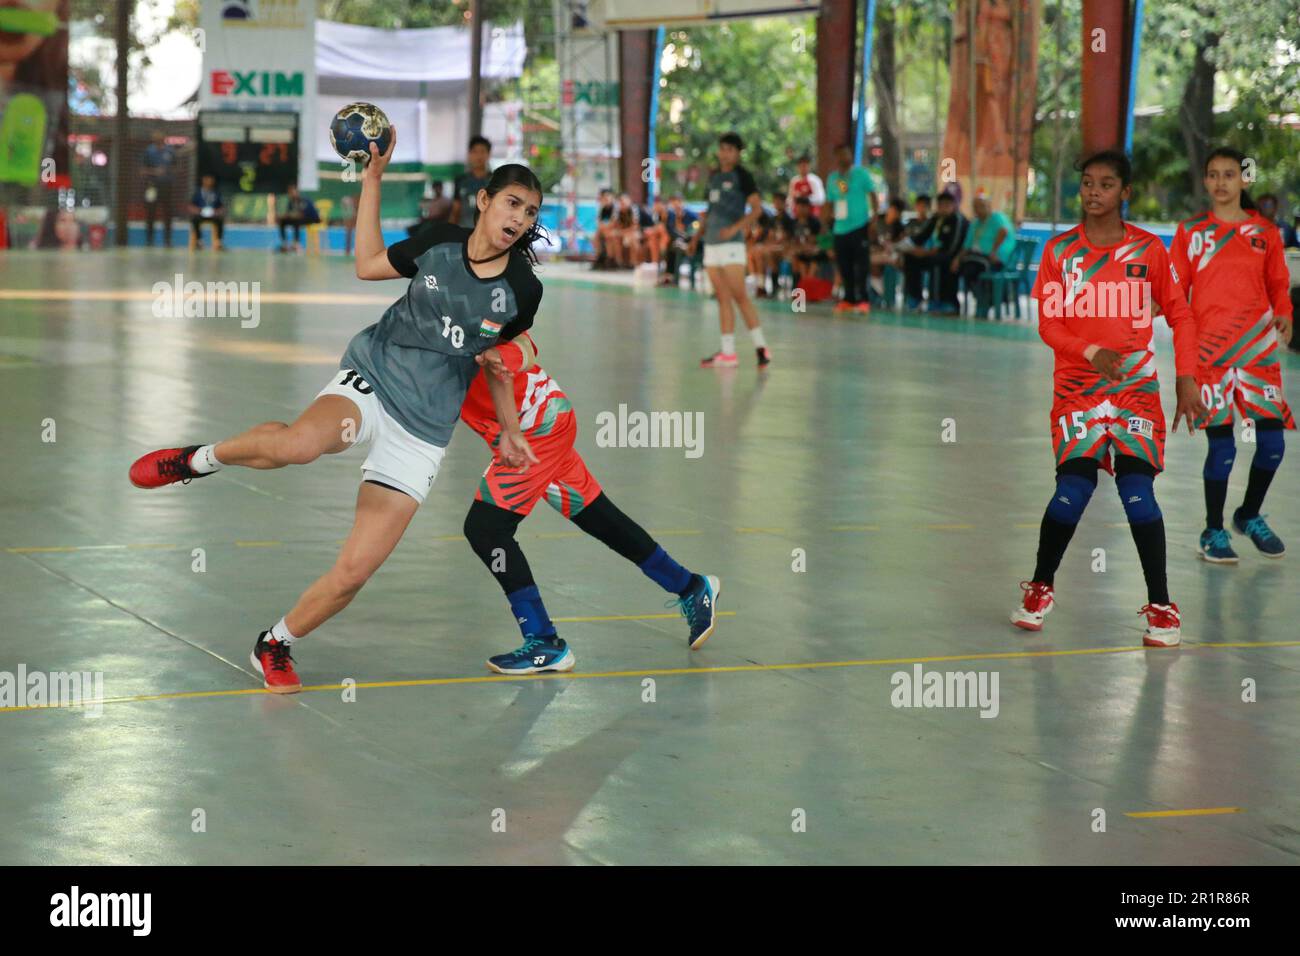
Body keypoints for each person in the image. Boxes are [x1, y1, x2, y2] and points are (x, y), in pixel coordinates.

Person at [129, 126, 548, 694]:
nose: (519, 219)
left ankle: (275, 643)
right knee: (298, 445)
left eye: (530, 212)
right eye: (512, 203)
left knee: (354, 573)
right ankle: (198, 460)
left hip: (423, 429)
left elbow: (499, 362)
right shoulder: (438, 243)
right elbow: (369, 264)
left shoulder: (523, 288)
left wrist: (511, 430)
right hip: (373, 377)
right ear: (484, 200)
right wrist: (372, 179)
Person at [1011, 150, 1204, 648]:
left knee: (1137, 493)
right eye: (1088, 184)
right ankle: (1041, 587)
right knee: (1071, 491)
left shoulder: (1148, 251)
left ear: (1125, 193)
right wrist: (1088, 350)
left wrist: (1187, 379)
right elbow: (1049, 325)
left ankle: (1161, 607)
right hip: (1076, 388)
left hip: (1135, 389)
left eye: (1106, 184)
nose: (1094, 192)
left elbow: (1181, 315)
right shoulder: (1058, 253)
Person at [460, 331, 722, 673]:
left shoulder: (475, 299)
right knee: (597, 516)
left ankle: (544, 640)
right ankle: (690, 586)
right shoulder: (425, 310)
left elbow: (524, 345)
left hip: (536, 427)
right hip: (541, 420)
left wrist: (503, 359)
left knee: (486, 529)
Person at [1171, 147, 1295, 563]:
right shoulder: (1191, 233)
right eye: (1212, 174)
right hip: (1210, 355)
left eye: (1229, 174)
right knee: (1222, 448)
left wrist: (1284, 313)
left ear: (1244, 180)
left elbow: (1279, 283)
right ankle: (1213, 529)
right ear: (1205, 181)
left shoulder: (1265, 233)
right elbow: (1175, 290)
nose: (1220, 182)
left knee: (1273, 442)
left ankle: (1249, 514)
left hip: (1258, 352)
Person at [689, 131, 771, 368]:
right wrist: (697, 237)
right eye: (722, 148)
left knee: (739, 295)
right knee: (722, 297)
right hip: (711, 244)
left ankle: (761, 348)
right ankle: (727, 353)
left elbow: (756, 210)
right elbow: (710, 210)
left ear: (738, 153)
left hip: (732, 245)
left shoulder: (742, 177)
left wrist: (735, 228)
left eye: (730, 149)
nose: (725, 153)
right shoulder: (714, 177)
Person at [826, 142, 878, 314]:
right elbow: (829, 201)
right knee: (844, 264)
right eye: (840, 154)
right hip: (840, 228)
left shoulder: (861, 174)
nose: (843, 157)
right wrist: (826, 223)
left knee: (861, 264)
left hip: (859, 225)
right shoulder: (833, 178)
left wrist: (874, 218)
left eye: (846, 153)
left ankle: (863, 299)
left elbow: (873, 195)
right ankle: (848, 298)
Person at [951, 190, 1014, 316]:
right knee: (961, 268)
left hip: (994, 258)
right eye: (976, 207)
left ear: (989, 206)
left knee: (973, 268)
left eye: (982, 206)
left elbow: (1003, 232)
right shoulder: (975, 223)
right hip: (975, 257)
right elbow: (967, 246)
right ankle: (979, 299)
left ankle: (986, 300)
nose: (979, 210)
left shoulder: (997, 218)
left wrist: (994, 251)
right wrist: (957, 259)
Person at [921, 191, 967, 314]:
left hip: (957, 256)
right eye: (941, 205)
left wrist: (936, 254)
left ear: (954, 205)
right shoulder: (936, 218)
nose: (943, 208)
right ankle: (915, 298)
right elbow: (922, 235)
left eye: (947, 205)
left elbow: (954, 245)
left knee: (938, 261)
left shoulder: (957, 219)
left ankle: (944, 302)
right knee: (912, 259)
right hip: (939, 254)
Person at [900, 194, 936, 309]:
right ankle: (913, 297)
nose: (922, 209)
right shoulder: (910, 223)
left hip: (927, 253)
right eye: (919, 206)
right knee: (908, 258)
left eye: (924, 206)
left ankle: (921, 298)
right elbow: (905, 239)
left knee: (913, 260)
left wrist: (924, 251)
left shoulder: (932, 223)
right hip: (910, 252)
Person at [141, 132, 176, 247]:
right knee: (150, 212)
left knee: (167, 213)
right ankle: (149, 240)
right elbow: (142, 170)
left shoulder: (170, 151)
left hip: (167, 186)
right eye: (155, 137)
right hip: (151, 186)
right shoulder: (148, 151)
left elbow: (176, 167)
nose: (158, 139)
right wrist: (154, 171)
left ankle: (168, 240)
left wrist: (168, 171)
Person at [450, 134, 492, 230]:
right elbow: (455, 211)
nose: (479, 156)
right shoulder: (460, 181)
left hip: (487, 233)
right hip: (464, 233)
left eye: (482, 151)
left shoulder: (496, 180)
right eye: (475, 151)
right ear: (469, 154)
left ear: (488, 154)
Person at [786, 196, 826, 283]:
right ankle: (798, 285)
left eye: (804, 207)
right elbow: (790, 240)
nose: (801, 209)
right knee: (796, 258)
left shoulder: (815, 222)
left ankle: (807, 285)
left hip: (812, 251)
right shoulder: (792, 222)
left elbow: (817, 240)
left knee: (810, 259)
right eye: (799, 206)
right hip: (798, 250)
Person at [661, 193, 699, 285]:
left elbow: (696, 229)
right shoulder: (670, 215)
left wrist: (685, 236)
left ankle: (670, 275)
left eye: (677, 202)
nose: (675, 205)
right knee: (671, 245)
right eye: (673, 203)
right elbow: (670, 230)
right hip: (676, 241)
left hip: (690, 240)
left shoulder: (691, 215)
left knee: (674, 245)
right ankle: (670, 276)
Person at [276, 183, 320, 252]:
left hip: (311, 219)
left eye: (292, 192)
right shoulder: (291, 201)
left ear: (297, 192)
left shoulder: (304, 200)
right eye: (289, 192)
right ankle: (284, 244)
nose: (291, 194)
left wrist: (291, 216)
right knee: (283, 222)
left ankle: (296, 244)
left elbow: (302, 214)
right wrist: (283, 217)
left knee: (296, 221)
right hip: (298, 219)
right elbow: (289, 213)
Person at [188, 174, 226, 250]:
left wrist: (216, 212)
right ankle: (199, 241)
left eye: (211, 180)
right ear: (203, 180)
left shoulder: (216, 193)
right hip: (200, 214)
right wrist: (199, 211)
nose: (209, 181)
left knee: (220, 220)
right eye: (207, 179)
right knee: (195, 220)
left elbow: (222, 207)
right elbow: (191, 206)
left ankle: (219, 242)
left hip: (213, 215)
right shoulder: (197, 193)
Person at [590, 188, 615, 268]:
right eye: (604, 197)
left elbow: (614, 222)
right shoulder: (602, 208)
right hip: (604, 230)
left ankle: (610, 259)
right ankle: (599, 257)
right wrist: (603, 227)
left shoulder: (615, 207)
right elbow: (598, 221)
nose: (606, 199)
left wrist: (604, 228)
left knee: (607, 235)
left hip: (613, 230)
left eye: (607, 197)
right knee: (597, 235)